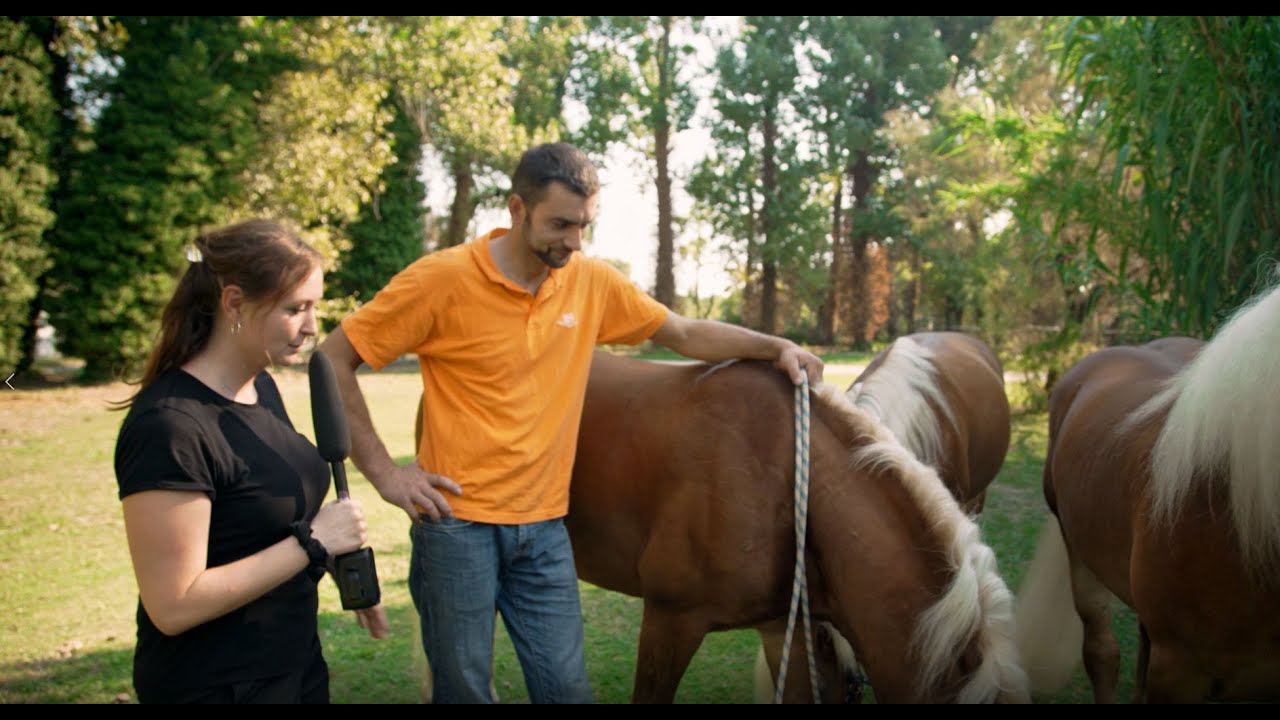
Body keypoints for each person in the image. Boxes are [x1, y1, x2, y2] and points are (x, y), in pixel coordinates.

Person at [317, 142, 824, 704]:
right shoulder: (441, 280)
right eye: (560, 224)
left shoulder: (590, 281)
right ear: (517, 209)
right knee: (462, 692)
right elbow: (334, 358)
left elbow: (679, 333)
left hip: (545, 531)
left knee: (567, 692)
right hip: (456, 527)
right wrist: (387, 474)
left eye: (584, 225)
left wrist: (775, 347)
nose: (574, 241)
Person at [113, 219, 389, 704]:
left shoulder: (259, 387)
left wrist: (333, 558)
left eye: (314, 307)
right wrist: (315, 543)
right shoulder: (169, 426)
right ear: (235, 304)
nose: (311, 327)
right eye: (295, 309)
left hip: (293, 663)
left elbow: (260, 516)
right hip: (215, 684)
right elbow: (173, 605)